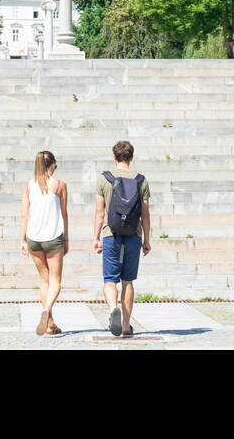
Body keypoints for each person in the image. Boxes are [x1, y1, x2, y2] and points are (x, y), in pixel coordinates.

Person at [93, 140, 151, 337]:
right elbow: (145, 213)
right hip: (134, 235)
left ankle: (112, 310)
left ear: (114, 157)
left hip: (111, 234)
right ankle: (126, 326)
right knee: (128, 281)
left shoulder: (105, 179)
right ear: (131, 157)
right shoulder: (141, 180)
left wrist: (95, 237)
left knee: (110, 280)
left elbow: (99, 213)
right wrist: (147, 240)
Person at [19, 150, 69, 335]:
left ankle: (50, 324)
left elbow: (24, 215)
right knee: (55, 281)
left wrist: (22, 240)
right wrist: (66, 239)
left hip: (33, 238)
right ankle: (46, 311)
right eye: (55, 164)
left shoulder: (28, 186)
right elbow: (64, 214)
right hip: (53, 237)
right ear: (51, 165)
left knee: (44, 280)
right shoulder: (60, 185)